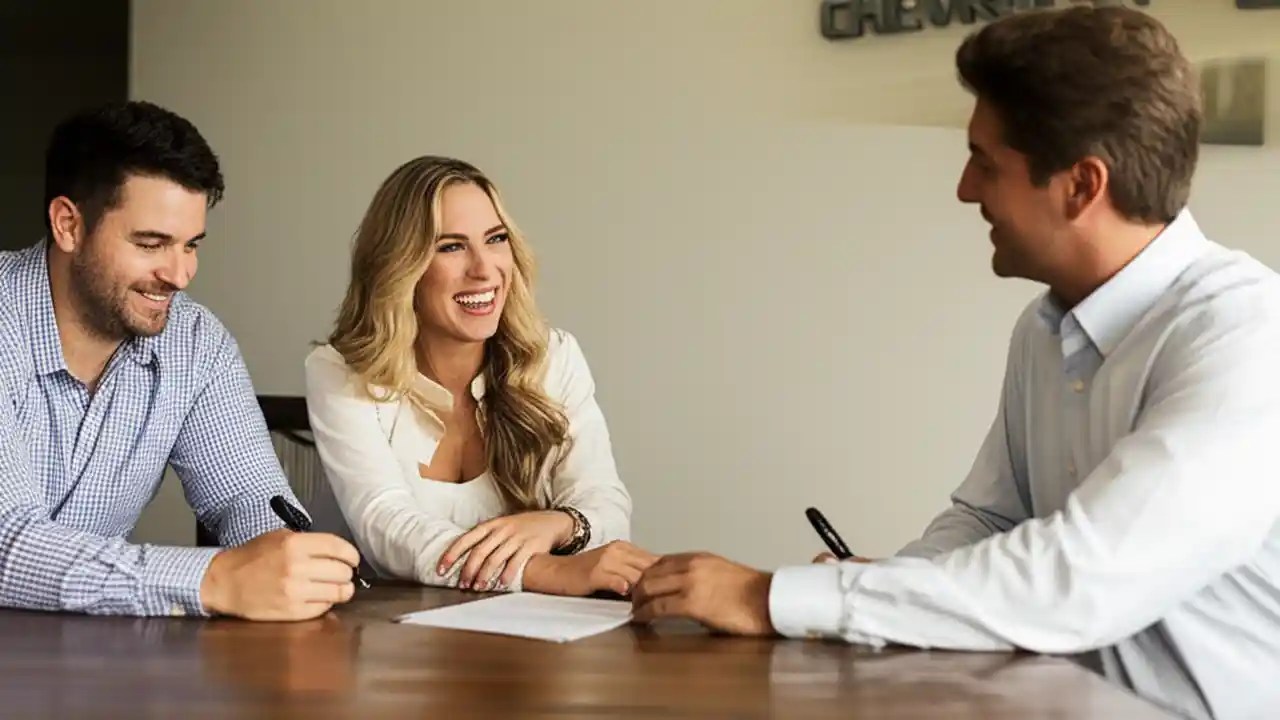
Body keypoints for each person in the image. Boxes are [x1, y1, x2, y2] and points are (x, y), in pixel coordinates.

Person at [630, 7, 1280, 720]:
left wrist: (772, 597)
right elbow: (990, 517)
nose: (966, 190)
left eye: (986, 163)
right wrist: (893, 589)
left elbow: (1076, 580)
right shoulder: (1044, 327)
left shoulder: (1247, 338)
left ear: (1082, 186)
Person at [0, 100, 361, 621]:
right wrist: (212, 579)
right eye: (152, 244)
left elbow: (249, 496)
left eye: (191, 245)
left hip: (85, 672)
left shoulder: (195, 345)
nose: (180, 274)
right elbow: (8, 545)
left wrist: (288, 561)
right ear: (67, 225)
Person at [306, 156, 652, 597]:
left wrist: (561, 524)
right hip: (376, 635)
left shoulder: (555, 357)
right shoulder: (339, 372)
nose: (485, 269)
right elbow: (387, 525)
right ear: (399, 266)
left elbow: (606, 504)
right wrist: (545, 571)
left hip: (526, 642)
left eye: (496, 239)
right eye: (451, 246)